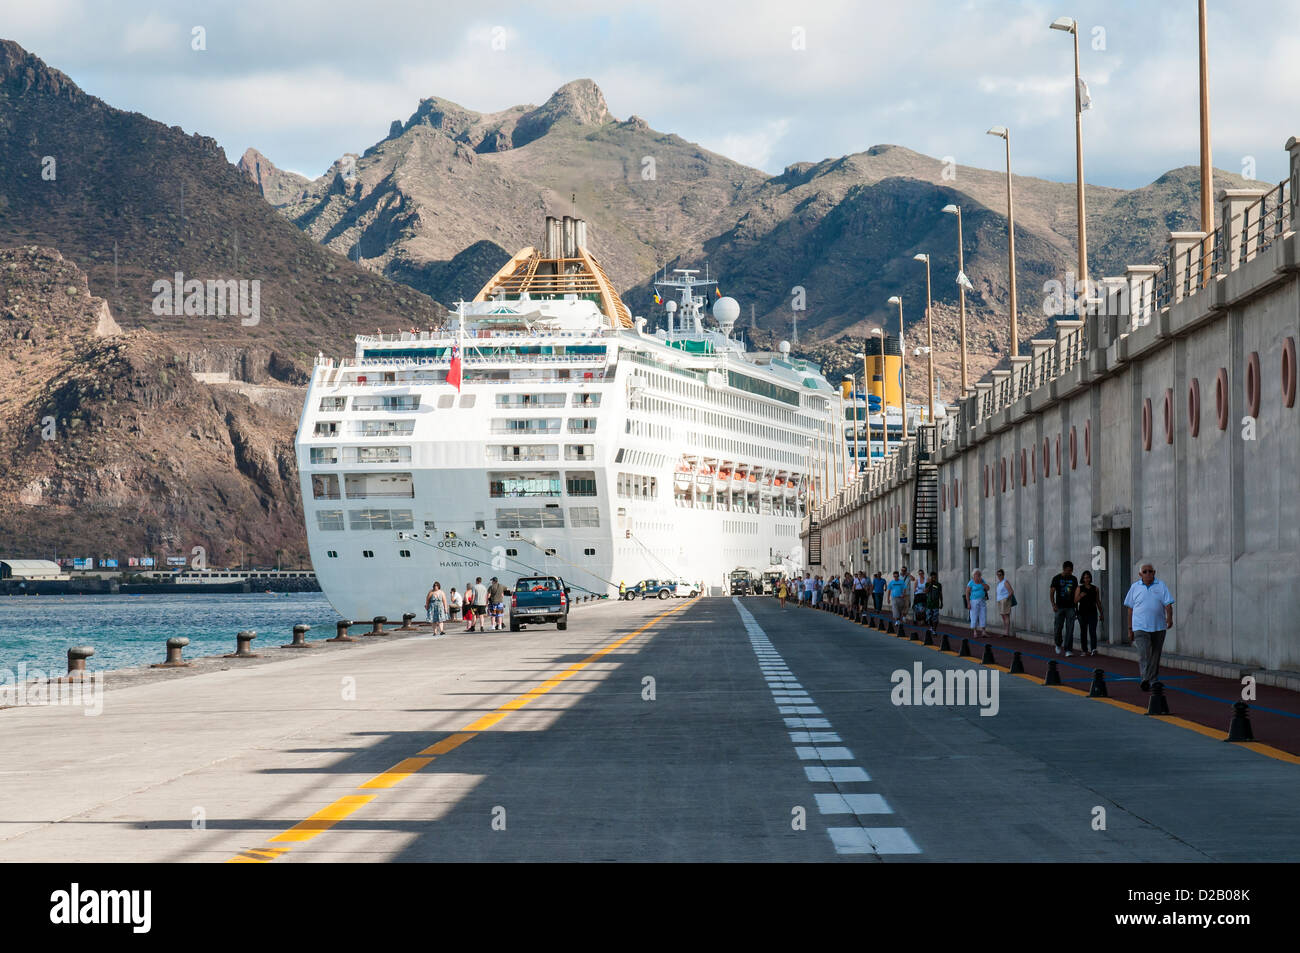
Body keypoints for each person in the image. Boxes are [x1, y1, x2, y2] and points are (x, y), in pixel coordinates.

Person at [1123, 563, 1174, 691]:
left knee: (1155, 654)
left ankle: (1153, 679)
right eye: (1144, 572)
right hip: (1140, 627)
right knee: (1144, 653)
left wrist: (1169, 618)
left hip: (1158, 627)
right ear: (1140, 574)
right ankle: (1146, 679)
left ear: (1154, 572)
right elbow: (1130, 609)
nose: (1148, 574)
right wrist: (1130, 629)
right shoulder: (1135, 587)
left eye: (1150, 571)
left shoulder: (1161, 585)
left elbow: (1168, 604)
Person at [1049, 560, 1080, 656]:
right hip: (1059, 607)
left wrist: (1076, 609)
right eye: (1068, 570)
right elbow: (1052, 592)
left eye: (1071, 571)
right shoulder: (1056, 578)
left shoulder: (1074, 579)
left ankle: (1068, 649)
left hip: (1070, 607)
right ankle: (1058, 643)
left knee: (1070, 629)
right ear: (1063, 569)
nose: (1069, 572)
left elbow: (1076, 594)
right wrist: (1053, 604)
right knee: (1058, 627)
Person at [1075, 570, 1104, 656]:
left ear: (1090, 578)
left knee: (1092, 631)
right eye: (1085, 578)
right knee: (1083, 631)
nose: (1086, 579)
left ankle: (1093, 649)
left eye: (1088, 577)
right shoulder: (1079, 588)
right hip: (1082, 613)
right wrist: (1080, 596)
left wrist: (1101, 613)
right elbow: (1075, 601)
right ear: (1082, 579)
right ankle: (1084, 650)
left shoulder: (1095, 588)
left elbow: (1098, 601)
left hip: (1093, 612)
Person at [965, 569, 989, 639]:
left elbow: (988, 588)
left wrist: (983, 583)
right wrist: (968, 603)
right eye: (977, 574)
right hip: (974, 601)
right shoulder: (971, 583)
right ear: (974, 575)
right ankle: (975, 632)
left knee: (983, 615)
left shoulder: (982, 581)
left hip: (982, 600)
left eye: (979, 575)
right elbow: (967, 593)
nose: (979, 576)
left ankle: (983, 631)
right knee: (974, 615)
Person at [994, 569, 1015, 639]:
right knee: (1003, 616)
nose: (999, 576)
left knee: (1006, 616)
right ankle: (1006, 631)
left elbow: (1011, 591)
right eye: (998, 575)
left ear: (1003, 575)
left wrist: (1006, 599)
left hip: (1005, 600)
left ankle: (1007, 632)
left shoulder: (1005, 582)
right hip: (1000, 600)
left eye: (1000, 575)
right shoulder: (999, 583)